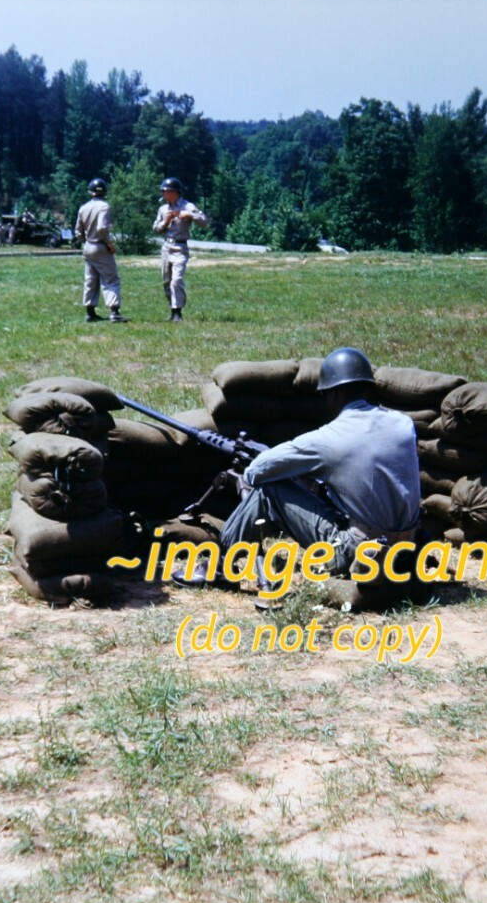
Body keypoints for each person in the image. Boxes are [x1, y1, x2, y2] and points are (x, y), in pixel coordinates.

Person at [174, 348, 421, 599]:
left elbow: (256, 473)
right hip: (406, 546)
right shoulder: (403, 424)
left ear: (333, 394)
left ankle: (221, 565)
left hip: (356, 551)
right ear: (367, 388)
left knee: (269, 490)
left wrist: (292, 473)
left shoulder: (328, 438)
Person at [152, 176, 210, 322]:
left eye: (166, 191)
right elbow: (155, 228)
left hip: (180, 247)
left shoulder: (187, 206)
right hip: (166, 247)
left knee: (176, 280)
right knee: (167, 281)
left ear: (174, 192)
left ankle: (178, 312)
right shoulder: (163, 209)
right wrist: (165, 222)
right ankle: (172, 309)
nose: (163, 194)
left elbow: (204, 222)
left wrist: (190, 215)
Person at [74, 178, 128, 323]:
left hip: (88, 246)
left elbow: (78, 232)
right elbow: (102, 228)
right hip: (100, 245)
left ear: (90, 192)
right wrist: (108, 243)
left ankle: (90, 312)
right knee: (111, 278)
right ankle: (114, 311)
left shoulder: (83, 208)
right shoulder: (104, 206)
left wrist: (86, 242)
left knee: (91, 279)